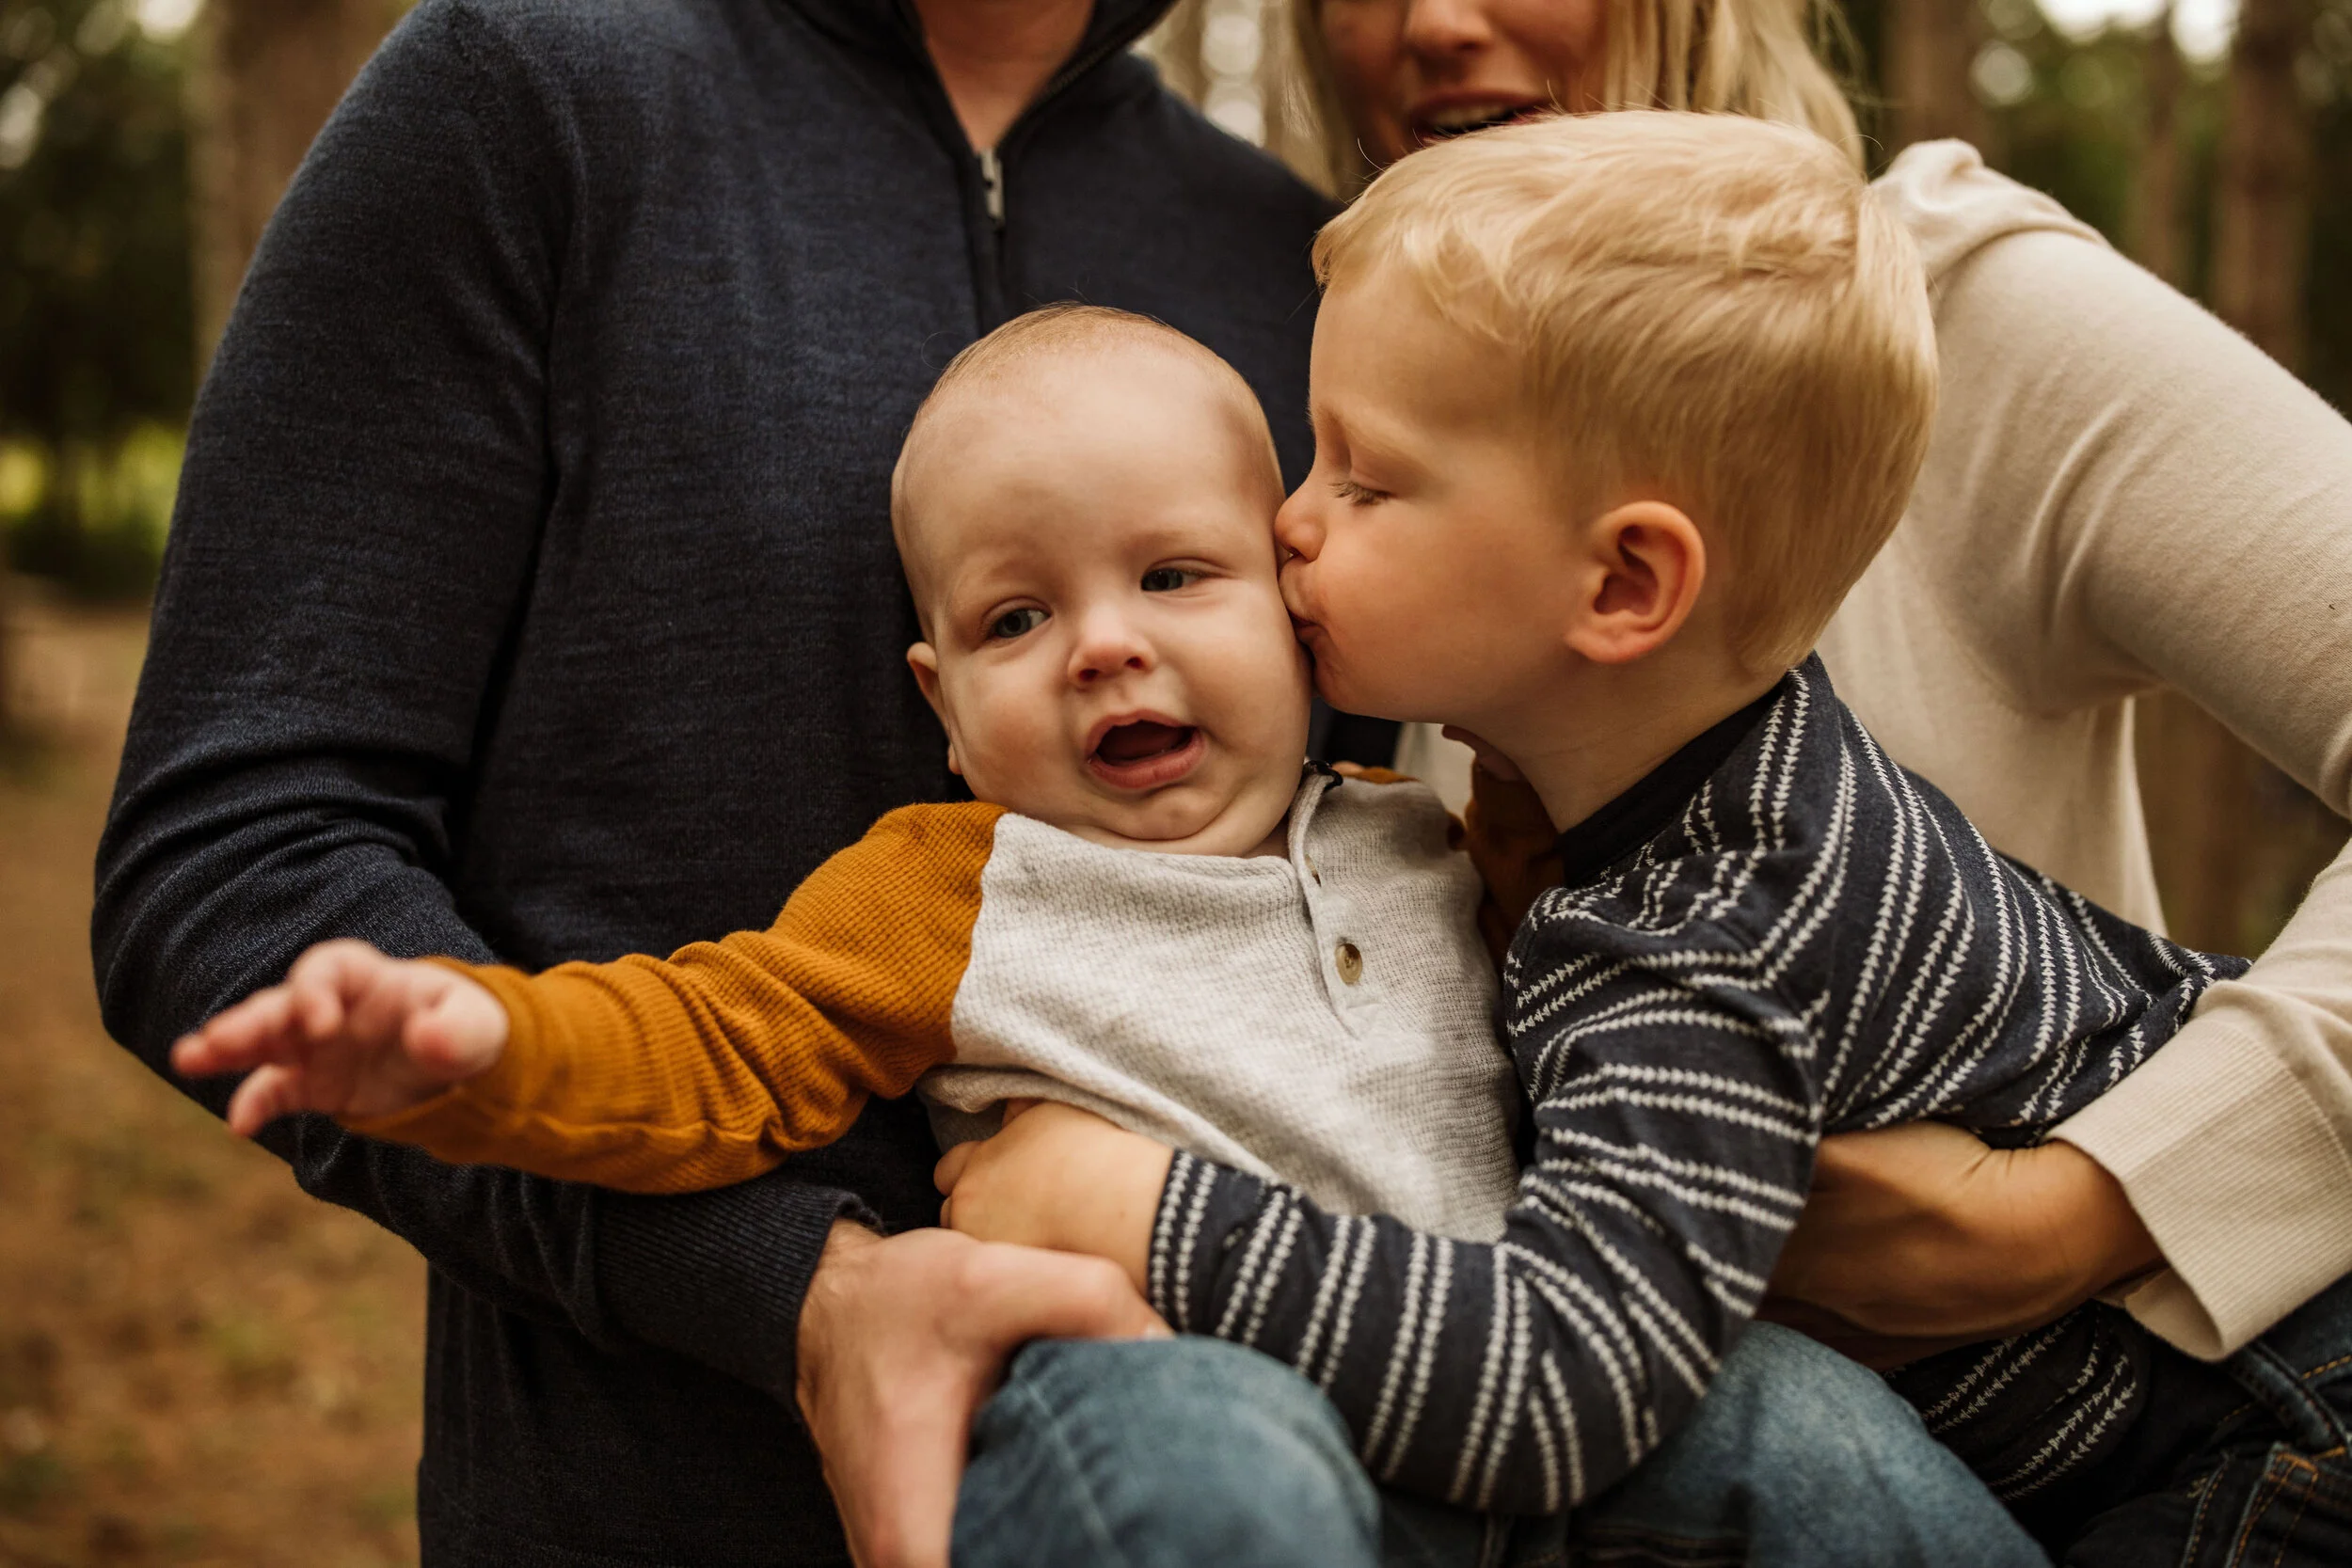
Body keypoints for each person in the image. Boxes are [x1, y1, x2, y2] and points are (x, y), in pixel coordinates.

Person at [175, 167, 2058, 1568]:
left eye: (1174, 574)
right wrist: (479, 1042)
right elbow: (704, 1046)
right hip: (1153, 1375)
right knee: (1211, 1472)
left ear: (1296, 610)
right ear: (941, 702)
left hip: (1499, 1404)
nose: (1104, 644)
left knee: (1805, 1425)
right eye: (1016, 616)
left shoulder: (1431, 833)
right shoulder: (952, 886)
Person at [89, 1, 1347, 1562]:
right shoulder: (528, 95)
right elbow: (232, 859)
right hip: (648, 1507)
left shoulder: (1293, 254)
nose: (1109, 649)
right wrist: (792, 1291)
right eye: (1021, 620)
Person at [1282, 0, 2352, 1380]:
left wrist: (2087, 1206)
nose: (1431, 18)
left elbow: (1573, 1354)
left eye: (1364, 482)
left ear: (1632, 581)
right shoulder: (1391, 353)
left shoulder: (1970, 309)